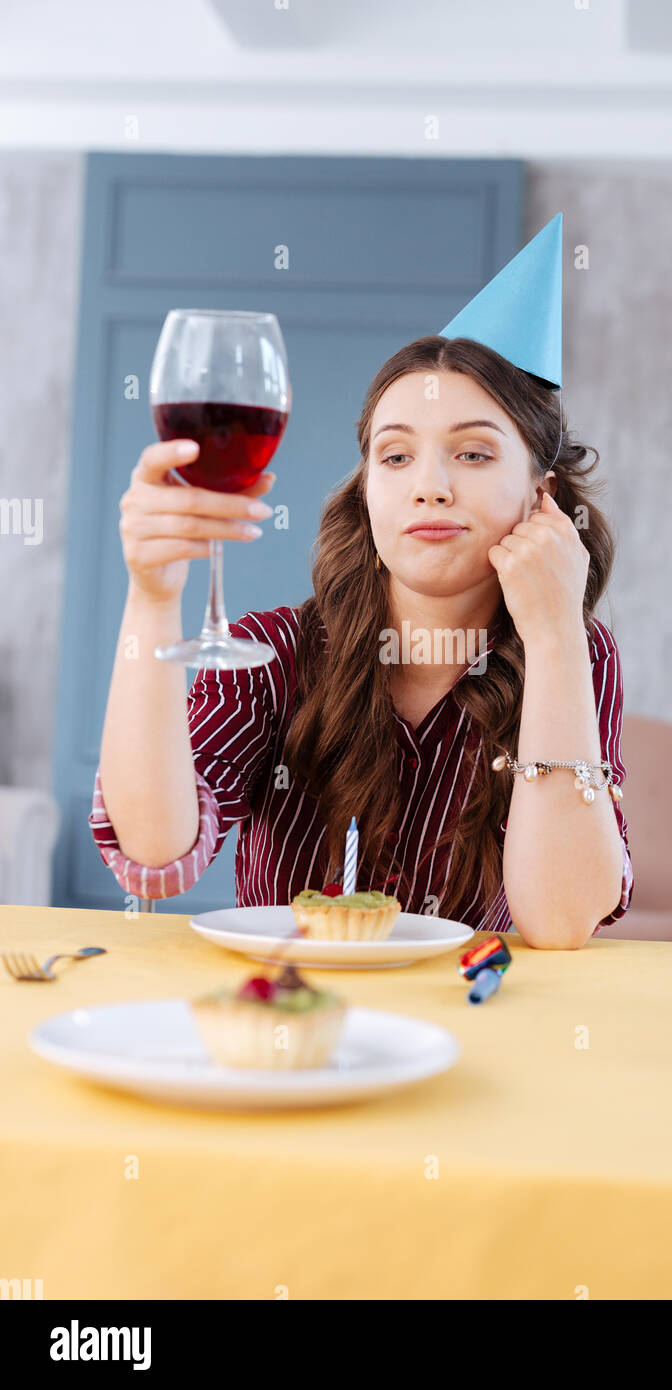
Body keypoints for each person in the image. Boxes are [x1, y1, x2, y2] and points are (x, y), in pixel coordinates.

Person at [90, 218, 634, 949]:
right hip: (291, 1025)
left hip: (479, 1033)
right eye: (397, 457)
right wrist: (152, 601)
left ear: (543, 495)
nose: (431, 488)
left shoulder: (579, 656)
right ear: (367, 491)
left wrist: (556, 631)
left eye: (473, 454)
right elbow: (152, 860)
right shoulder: (274, 653)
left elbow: (563, 920)